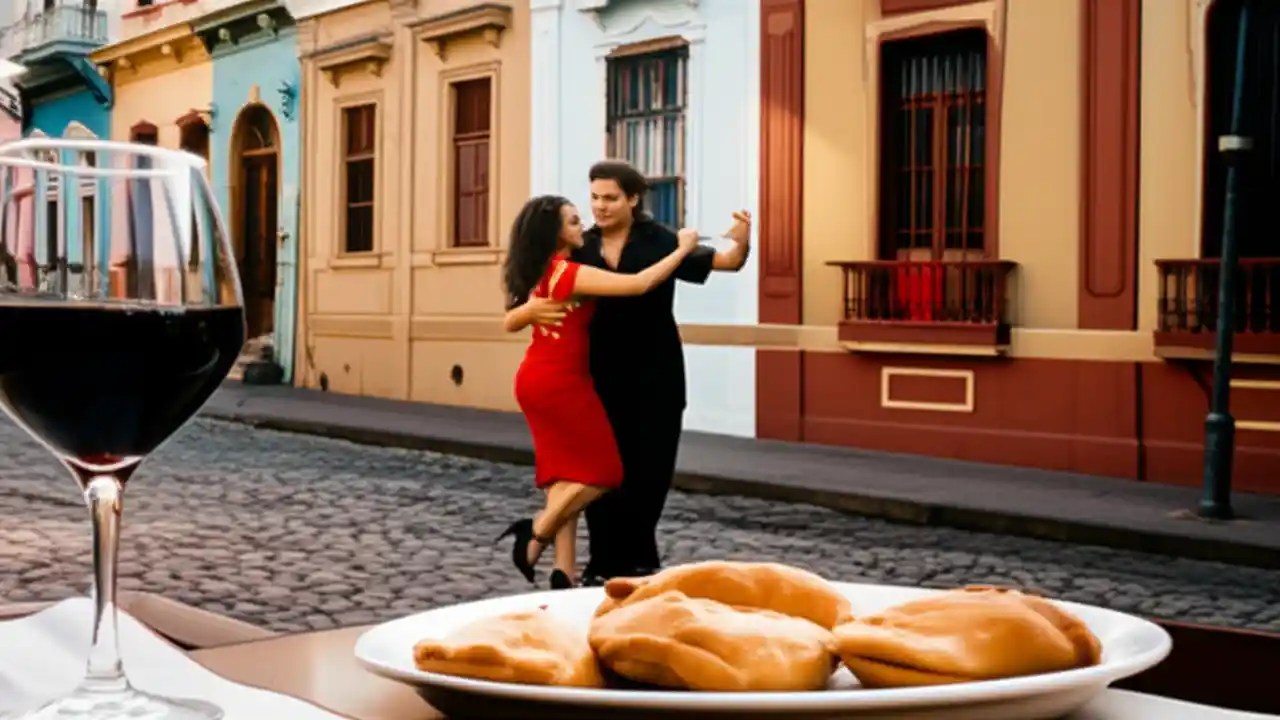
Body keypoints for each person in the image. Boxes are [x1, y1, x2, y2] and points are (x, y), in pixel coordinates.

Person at [505, 160, 751, 585]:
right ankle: (600, 566)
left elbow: (728, 262)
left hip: (656, 375)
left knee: (649, 476)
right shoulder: (580, 245)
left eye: (610, 198)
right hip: (595, 376)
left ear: (633, 199)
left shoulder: (662, 239)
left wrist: (743, 240)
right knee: (600, 475)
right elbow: (532, 290)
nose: (600, 206)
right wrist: (528, 311)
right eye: (595, 198)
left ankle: (635, 564)